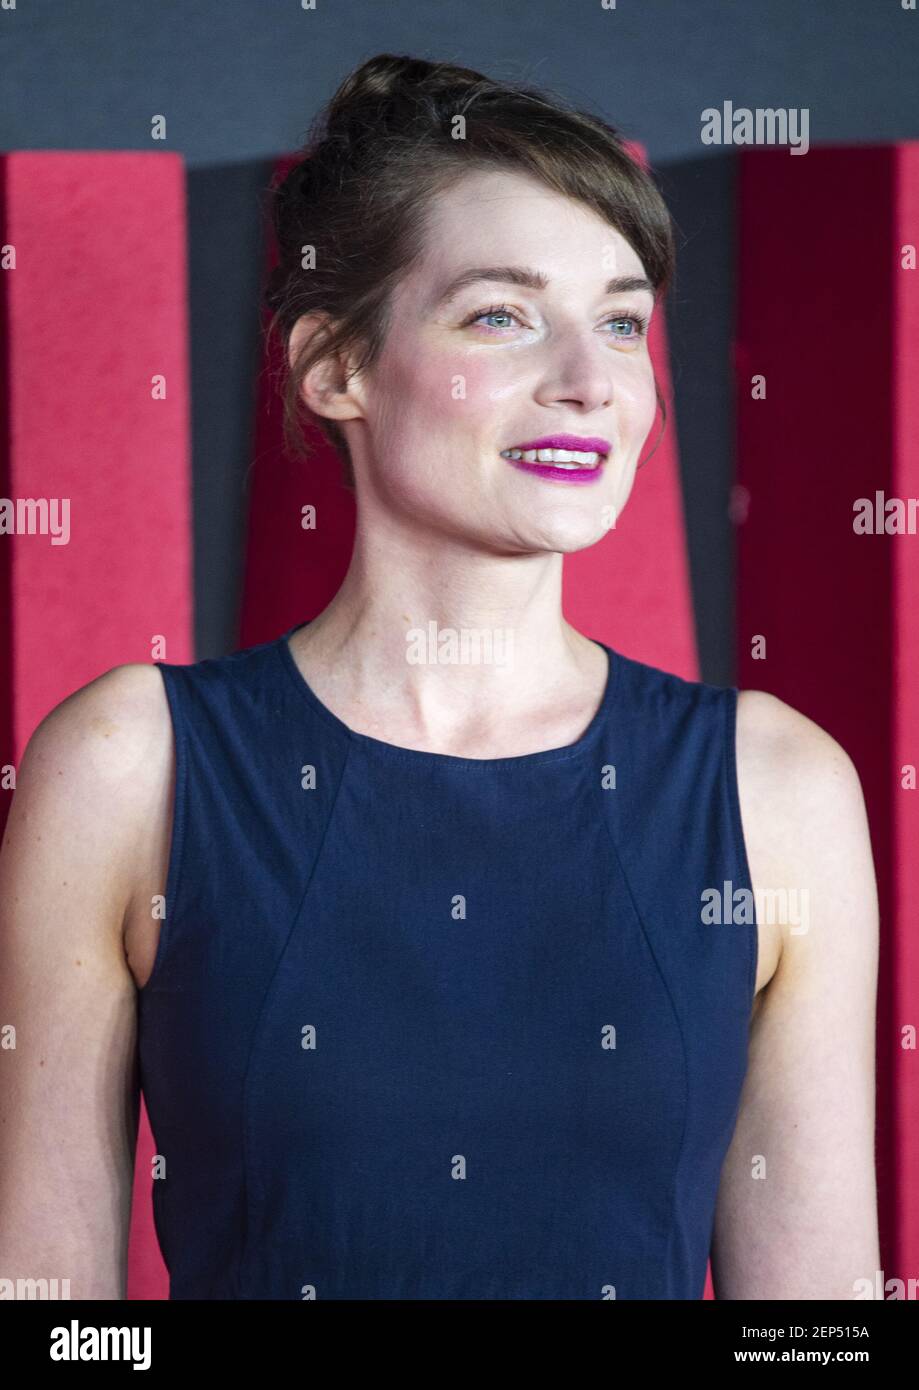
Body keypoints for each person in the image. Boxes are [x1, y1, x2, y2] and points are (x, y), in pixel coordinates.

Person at [0, 53, 879, 1301]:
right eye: (500, 315)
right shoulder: (126, 764)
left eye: (622, 320)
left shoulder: (779, 785)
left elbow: (816, 1330)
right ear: (336, 366)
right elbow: (49, 1318)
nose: (590, 379)